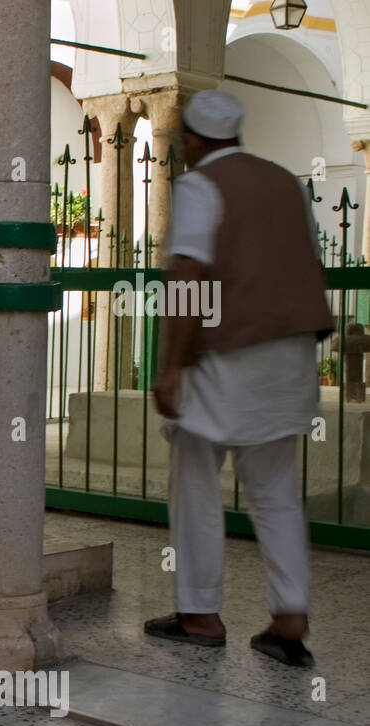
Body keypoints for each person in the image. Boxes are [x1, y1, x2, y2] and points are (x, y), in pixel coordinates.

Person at [145, 90, 335, 668]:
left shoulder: (201, 186)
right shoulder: (286, 183)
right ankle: (289, 619)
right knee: (276, 491)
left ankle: (200, 613)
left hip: (228, 355)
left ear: (195, 140)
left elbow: (191, 277)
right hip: (292, 355)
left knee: (196, 473)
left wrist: (172, 365)